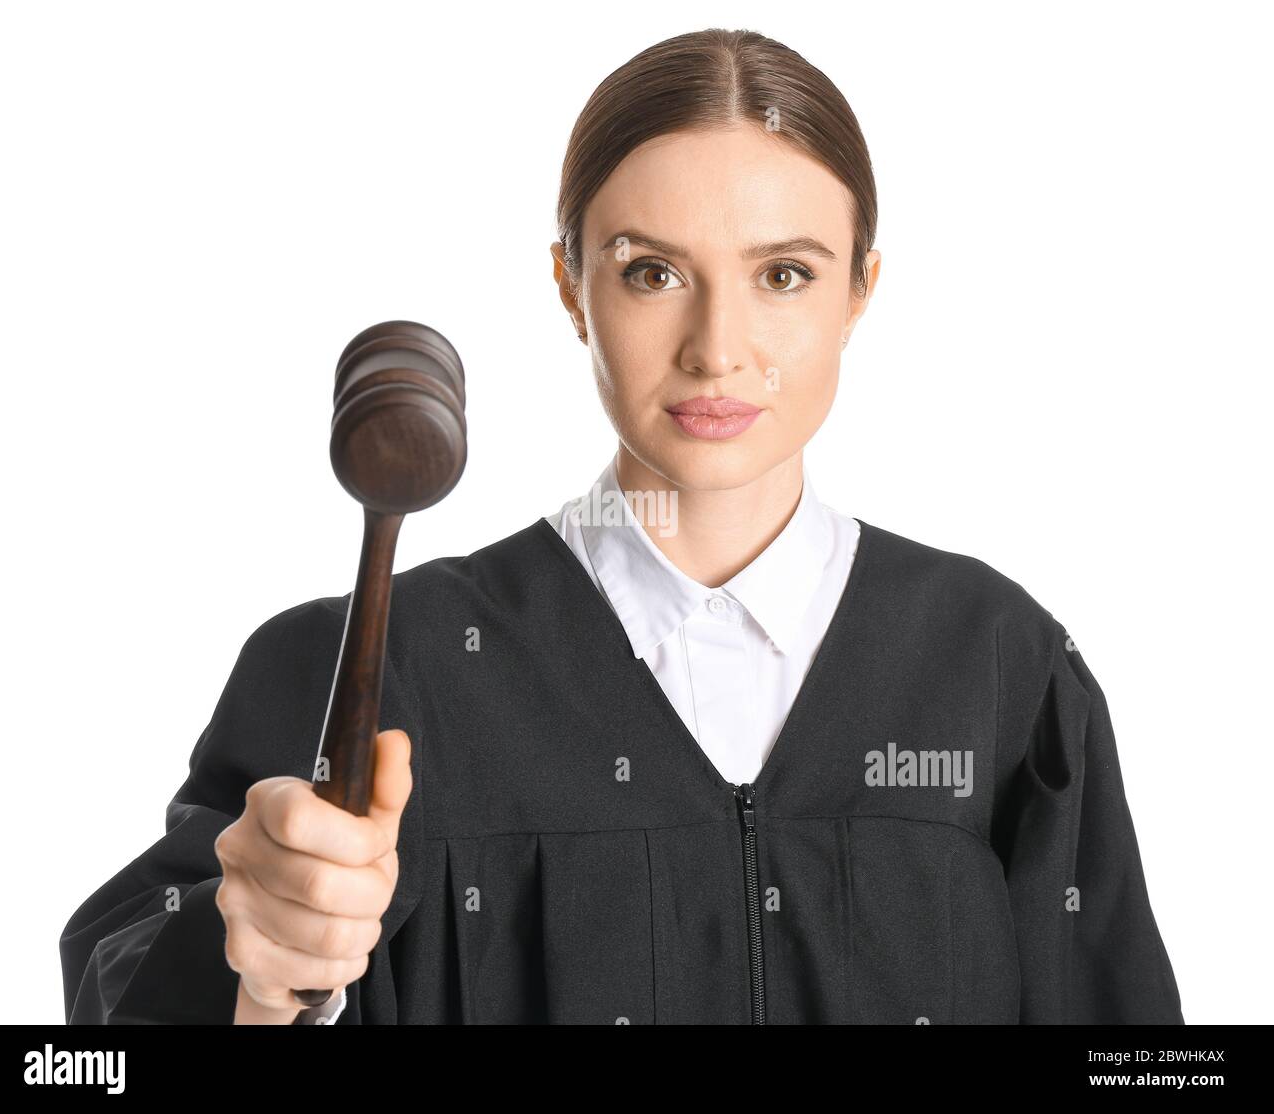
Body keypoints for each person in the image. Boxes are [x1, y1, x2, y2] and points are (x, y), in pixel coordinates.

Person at [60, 27, 1183, 1025]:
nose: (716, 348)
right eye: (651, 272)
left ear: (860, 290)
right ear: (568, 286)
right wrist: (258, 972)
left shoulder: (998, 666)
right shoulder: (369, 667)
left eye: (784, 274)